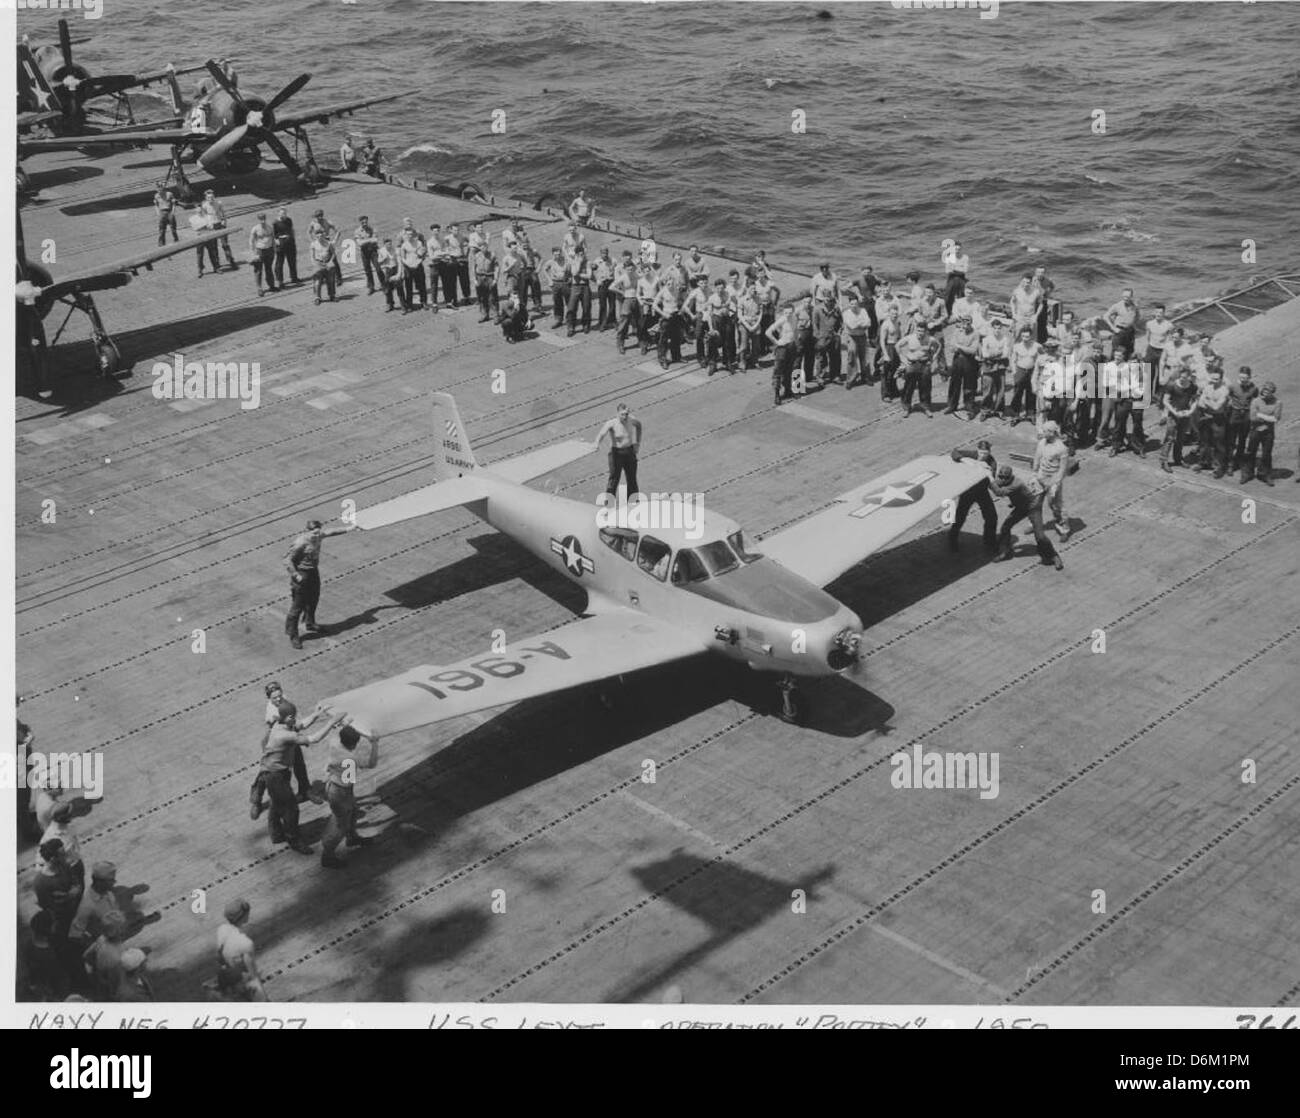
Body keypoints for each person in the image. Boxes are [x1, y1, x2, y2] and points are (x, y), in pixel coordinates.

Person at [260, 702, 345, 854]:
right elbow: (313, 739)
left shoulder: (281, 725)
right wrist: (331, 722)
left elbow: (301, 724)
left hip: (273, 774)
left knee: (277, 805)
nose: (296, 719)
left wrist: (316, 714)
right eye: (294, 716)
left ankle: (277, 834)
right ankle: (294, 840)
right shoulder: (284, 735)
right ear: (289, 717)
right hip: (275, 777)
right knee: (291, 809)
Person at [284, 518, 357, 650]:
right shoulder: (300, 542)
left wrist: (350, 528)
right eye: (314, 533)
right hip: (301, 574)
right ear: (307, 531)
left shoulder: (318, 536)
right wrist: (296, 575)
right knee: (297, 606)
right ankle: (293, 634)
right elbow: (287, 560)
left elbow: (331, 532)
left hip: (313, 572)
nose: (317, 535)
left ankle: (310, 623)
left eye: (318, 532)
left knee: (313, 599)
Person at [320, 725, 379, 869]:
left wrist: (353, 728)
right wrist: (374, 743)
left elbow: (344, 730)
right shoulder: (350, 759)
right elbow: (372, 764)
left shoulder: (334, 743)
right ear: (353, 743)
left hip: (336, 786)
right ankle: (327, 856)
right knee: (340, 825)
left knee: (352, 811)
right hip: (341, 792)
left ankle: (352, 838)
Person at [989, 465, 1063, 570]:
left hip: (1033, 507)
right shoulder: (1004, 480)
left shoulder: (1017, 484)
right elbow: (996, 484)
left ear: (1011, 477)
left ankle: (1054, 556)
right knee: (1006, 527)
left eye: (1005, 478)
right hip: (1021, 507)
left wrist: (989, 479)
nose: (1002, 480)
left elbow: (999, 492)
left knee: (1040, 536)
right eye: (1000, 477)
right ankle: (1006, 550)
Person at [948, 441, 999, 551]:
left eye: (985, 453)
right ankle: (952, 539)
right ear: (977, 450)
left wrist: (987, 474)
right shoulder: (972, 455)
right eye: (981, 453)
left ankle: (989, 542)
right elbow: (954, 452)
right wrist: (964, 460)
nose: (982, 456)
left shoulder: (992, 462)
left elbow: (991, 481)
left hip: (982, 492)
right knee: (960, 517)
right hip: (968, 492)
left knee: (991, 517)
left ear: (989, 452)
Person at [215, 899, 267, 1001]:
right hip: (243, 980)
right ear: (243, 917)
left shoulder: (221, 929)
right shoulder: (246, 943)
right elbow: (251, 972)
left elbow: (218, 956)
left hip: (227, 978)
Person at [596, 403, 642, 500]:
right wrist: (597, 444)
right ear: (617, 413)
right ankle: (609, 503)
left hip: (629, 452)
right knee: (614, 479)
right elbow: (602, 433)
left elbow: (639, 426)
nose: (625, 416)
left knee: (632, 478)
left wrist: (637, 443)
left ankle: (633, 502)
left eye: (626, 414)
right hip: (616, 454)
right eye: (622, 414)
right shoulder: (612, 423)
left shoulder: (632, 420)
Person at [1033, 420, 1070, 538]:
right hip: (1041, 476)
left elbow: (1062, 469)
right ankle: (1034, 524)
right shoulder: (1042, 442)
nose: (1042, 433)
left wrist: (1056, 484)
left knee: (1055, 505)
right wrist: (1034, 473)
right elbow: (1037, 458)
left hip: (1053, 478)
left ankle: (1064, 527)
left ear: (1052, 432)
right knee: (1034, 503)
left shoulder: (1062, 448)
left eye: (1045, 431)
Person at [1241, 381, 1281, 486]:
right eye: (1264, 391)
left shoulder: (1277, 403)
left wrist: (1261, 415)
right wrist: (1268, 418)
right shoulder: (1255, 401)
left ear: (1272, 393)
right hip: (1255, 430)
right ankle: (1247, 473)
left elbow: (1276, 419)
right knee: (1250, 452)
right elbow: (1253, 418)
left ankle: (1264, 474)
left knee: (1267, 454)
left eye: (1268, 392)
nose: (1264, 394)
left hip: (1268, 433)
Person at [1192, 366, 1229, 477]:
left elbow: (1217, 407)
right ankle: (1203, 462)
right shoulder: (1208, 387)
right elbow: (1200, 403)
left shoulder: (1224, 390)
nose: (1214, 381)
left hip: (1218, 419)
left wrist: (1207, 400)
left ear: (1221, 379)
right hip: (1206, 416)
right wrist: (1210, 402)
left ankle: (1219, 468)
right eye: (1212, 378)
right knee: (1204, 442)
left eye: (1216, 379)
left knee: (1218, 444)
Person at [1159, 365, 1198, 473]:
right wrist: (1174, 412)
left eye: (1185, 377)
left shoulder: (1192, 387)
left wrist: (1190, 411)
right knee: (1169, 438)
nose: (1182, 379)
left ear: (1189, 377)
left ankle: (1178, 458)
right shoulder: (1172, 385)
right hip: (1173, 415)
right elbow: (1165, 401)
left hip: (1185, 415)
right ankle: (1164, 460)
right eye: (1181, 377)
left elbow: (1195, 400)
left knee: (1180, 438)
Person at [897, 323, 940, 418]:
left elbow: (938, 346)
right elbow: (897, 346)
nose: (920, 333)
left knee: (926, 387)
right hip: (911, 365)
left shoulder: (930, 339)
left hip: (924, 365)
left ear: (926, 331)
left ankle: (926, 407)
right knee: (908, 387)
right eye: (919, 331)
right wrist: (903, 360)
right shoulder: (910, 338)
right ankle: (906, 407)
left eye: (922, 331)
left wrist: (933, 359)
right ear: (916, 330)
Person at [1224, 365, 1258, 474]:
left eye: (1245, 378)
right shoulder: (1232, 386)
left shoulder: (1254, 388)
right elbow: (1227, 397)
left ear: (1250, 377)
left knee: (1242, 440)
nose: (1243, 380)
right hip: (1235, 414)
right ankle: (1230, 463)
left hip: (1246, 415)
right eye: (1241, 377)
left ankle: (1238, 460)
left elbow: (1256, 399)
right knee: (1231, 440)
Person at [945, 315, 981, 418]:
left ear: (971, 322)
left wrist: (959, 346)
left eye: (968, 322)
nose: (965, 324)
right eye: (964, 322)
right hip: (957, 360)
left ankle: (969, 405)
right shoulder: (957, 331)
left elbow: (973, 350)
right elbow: (951, 347)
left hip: (970, 361)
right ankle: (952, 405)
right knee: (954, 383)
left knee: (969, 385)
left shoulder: (975, 333)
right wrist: (962, 348)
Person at [977, 318, 1012, 420]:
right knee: (987, 390)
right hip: (988, 366)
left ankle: (999, 410)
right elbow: (984, 354)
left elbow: (1005, 354)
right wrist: (997, 353)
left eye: (999, 328)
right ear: (992, 328)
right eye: (995, 328)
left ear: (1002, 329)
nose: (997, 330)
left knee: (1001, 390)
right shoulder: (986, 339)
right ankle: (985, 410)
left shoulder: (1005, 339)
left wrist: (992, 354)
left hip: (1001, 367)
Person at [767, 302, 797, 405]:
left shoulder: (794, 318)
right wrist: (777, 342)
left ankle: (788, 390)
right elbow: (768, 332)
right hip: (782, 348)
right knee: (778, 371)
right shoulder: (782, 320)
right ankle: (777, 394)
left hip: (791, 346)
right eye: (786, 313)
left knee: (789, 369)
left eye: (790, 312)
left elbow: (795, 331)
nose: (788, 314)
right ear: (783, 313)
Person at [248, 213, 278, 296]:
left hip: (269, 250)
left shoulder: (270, 228)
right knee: (258, 270)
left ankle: (271, 285)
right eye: (261, 219)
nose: (263, 221)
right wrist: (253, 253)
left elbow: (273, 238)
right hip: (259, 250)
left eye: (264, 219)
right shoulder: (255, 229)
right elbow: (251, 241)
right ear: (258, 220)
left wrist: (274, 249)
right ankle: (259, 288)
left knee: (269, 269)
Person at [398, 227, 427, 311]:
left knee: (422, 285)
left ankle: (424, 302)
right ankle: (410, 304)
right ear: (405, 235)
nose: (409, 236)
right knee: (408, 286)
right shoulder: (404, 245)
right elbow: (402, 258)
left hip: (418, 266)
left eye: (411, 234)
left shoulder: (419, 243)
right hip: (408, 268)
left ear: (414, 235)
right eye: (408, 234)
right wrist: (409, 265)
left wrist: (417, 263)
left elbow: (423, 256)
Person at [377, 238, 406, 313]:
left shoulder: (396, 250)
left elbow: (400, 262)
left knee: (400, 289)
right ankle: (390, 304)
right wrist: (383, 258)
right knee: (387, 290)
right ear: (384, 245)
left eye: (390, 244)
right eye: (387, 244)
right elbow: (379, 262)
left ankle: (403, 305)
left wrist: (399, 273)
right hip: (387, 270)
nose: (389, 246)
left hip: (395, 268)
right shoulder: (381, 251)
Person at [272, 206, 299, 286]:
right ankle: (280, 281)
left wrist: (293, 239)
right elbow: (273, 235)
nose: (284, 215)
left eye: (285, 214)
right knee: (279, 263)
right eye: (282, 214)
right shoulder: (275, 223)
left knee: (292, 261)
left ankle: (294, 277)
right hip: (281, 244)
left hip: (290, 243)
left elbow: (291, 230)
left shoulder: (289, 220)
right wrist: (277, 242)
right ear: (278, 214)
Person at [941, 238, 970, 313]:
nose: (957, 251)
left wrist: (954, 269)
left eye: (959, 249)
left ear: (961, 249)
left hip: (961, 279)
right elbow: (948, 271)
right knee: (948, 296)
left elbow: (965, 270)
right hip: (951, 279)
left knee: (961, 297)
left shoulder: (965, 257)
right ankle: (947, 312)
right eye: (956, 249)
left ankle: (961, 313)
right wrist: (959, 269)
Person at [310, 231, 338, 305]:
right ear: (315, 236)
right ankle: (317, 297)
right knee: (317, 281)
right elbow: (312, 257)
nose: (320, 237)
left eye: (321, 235)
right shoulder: (313, 244)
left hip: (328, 262)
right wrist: (315, 264)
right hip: (318, 263)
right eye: (318, 236)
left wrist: (330, 262)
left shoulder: (328, 243)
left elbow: (333, 254)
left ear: (324, 235)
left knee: (331, 280)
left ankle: (332, 295)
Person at [354, 215, 380, 295]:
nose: (364, 224)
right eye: (363, 222)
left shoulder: (372, 229)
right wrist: (369, 240)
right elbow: (360, 243)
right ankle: (371, 287)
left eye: (366, 222)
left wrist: (365, 241)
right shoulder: (357, 231)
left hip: (373, 251)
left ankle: (384, 284)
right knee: (367, 270)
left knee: (378, 268)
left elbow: (375, 240)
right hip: (364, 252)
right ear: (360, 222)